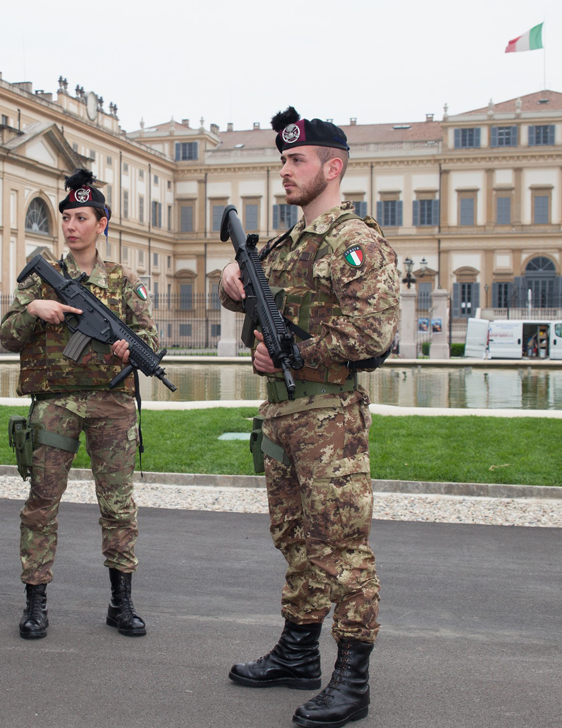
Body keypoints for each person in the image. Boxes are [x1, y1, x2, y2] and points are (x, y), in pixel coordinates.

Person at [220, 107, 400, 728]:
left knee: (342, 548)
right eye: (282, 160)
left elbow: (374, 333)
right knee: (296, 540)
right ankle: (298, 653)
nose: (285, 171)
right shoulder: (284, 243)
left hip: (329, 417)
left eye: (296, 161)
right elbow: (253, 292)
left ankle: (353, 681)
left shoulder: (356, 242)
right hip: (283, 416)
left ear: (333, 166)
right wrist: (230, 283)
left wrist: (298, 350)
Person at [0, 169, 159, 640]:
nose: (70, 225)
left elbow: (148, 337)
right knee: (42, 502)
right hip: (56, 404)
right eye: (66, 216)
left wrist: (132, 350)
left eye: (81, 217)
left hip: (112, 405)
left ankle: (121, 603)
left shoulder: (126, 281)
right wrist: (33, 310)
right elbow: (7, 334)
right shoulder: (43, 278)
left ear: (101, 223)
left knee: (118, 505)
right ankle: (35, 604)